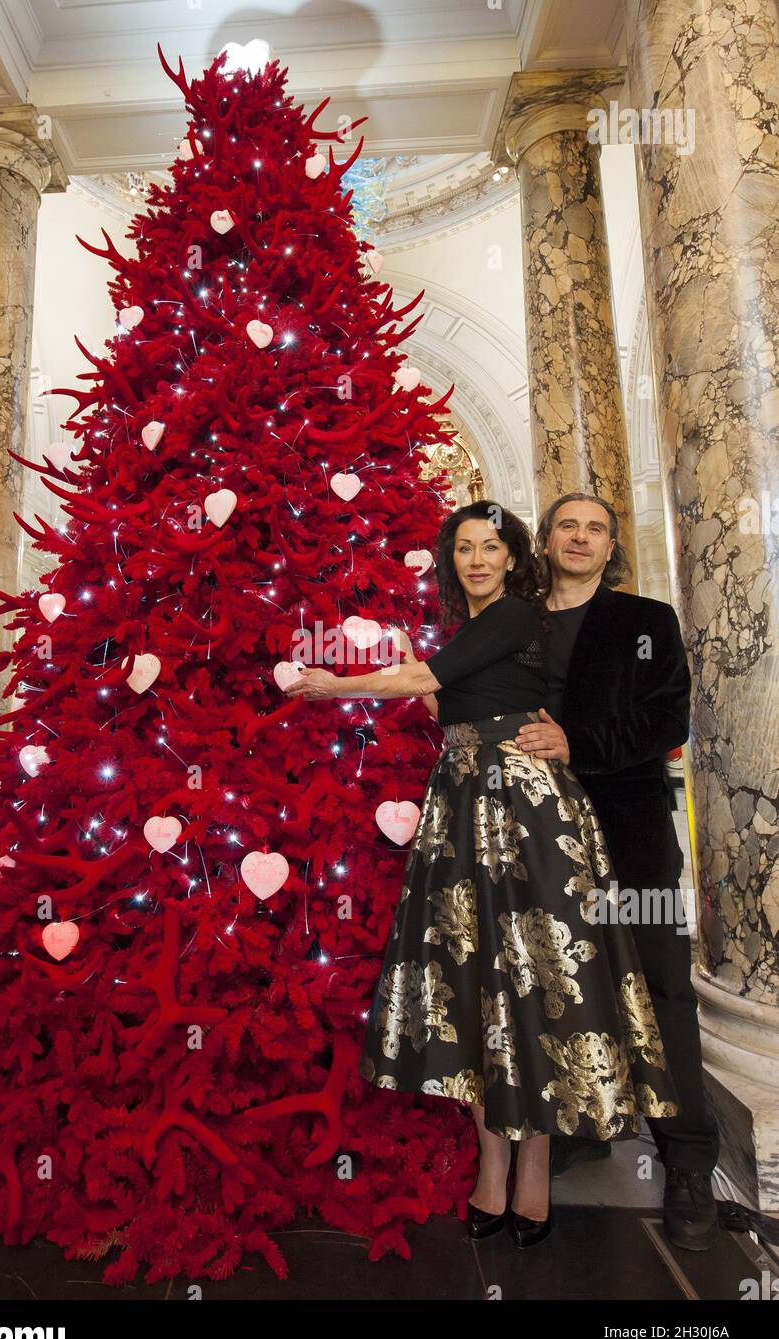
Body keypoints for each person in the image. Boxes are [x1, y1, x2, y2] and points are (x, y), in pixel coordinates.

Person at [281, 500, 680, 1249]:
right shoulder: (474, 629)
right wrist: (416, 665)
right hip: (461, 808)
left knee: (537, 985)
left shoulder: (516, 615)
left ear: (511, 557)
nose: (476, 560)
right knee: (472, 984)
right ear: (449, 559)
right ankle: (490, 1165)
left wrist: (331, 685)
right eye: (463, 548)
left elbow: (424, 678)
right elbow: (445, 700)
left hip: (526, 813)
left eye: (490, 547)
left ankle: (532, 1172)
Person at [515, 492, 720, 1252]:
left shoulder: (643, 623)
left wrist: (577, 745)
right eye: (566, 525)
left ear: (610, 548)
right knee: (559, 986)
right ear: (544, 540)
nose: (579, 537)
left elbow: (668, 718)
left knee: (662, 991)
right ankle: (578, 1127)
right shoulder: (515, 622)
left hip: (628, 837)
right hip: (535, 840)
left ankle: (688, 1164)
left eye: (594, 529)